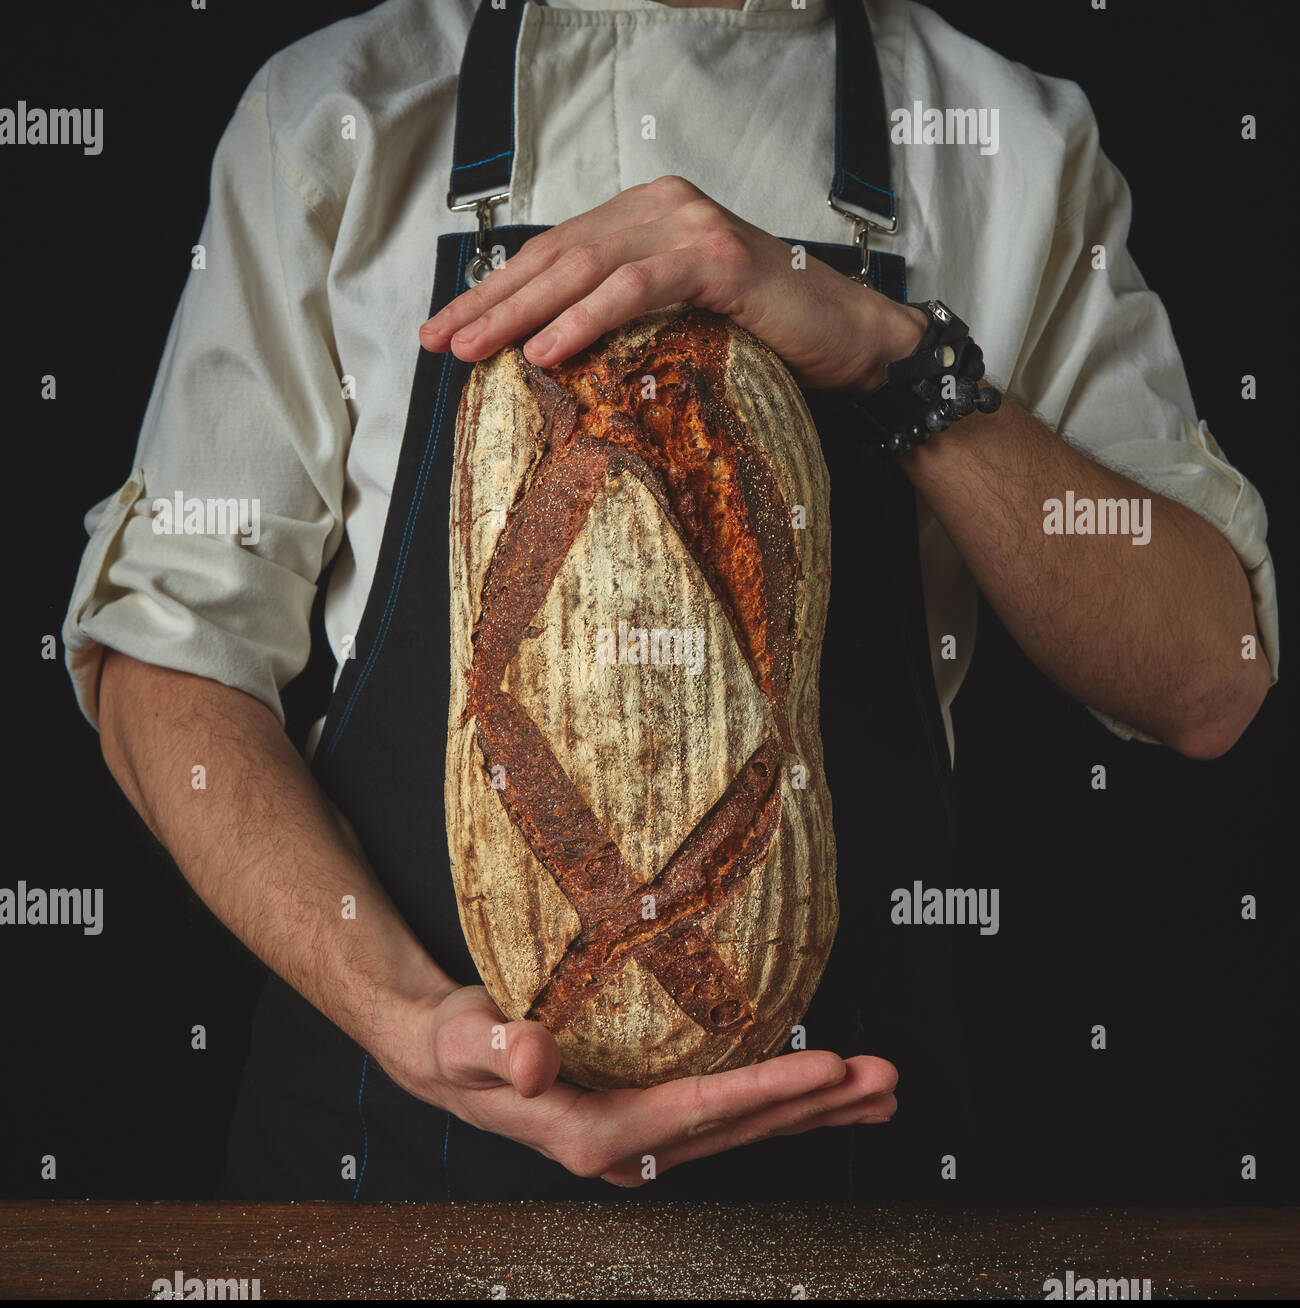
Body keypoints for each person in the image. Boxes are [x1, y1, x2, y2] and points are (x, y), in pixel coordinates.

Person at [62, 0, 1276, 1202]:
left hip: (851, 1188)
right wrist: (407, 1017)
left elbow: (1207, 674)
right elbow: (166, 658)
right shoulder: (340, 113)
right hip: (392, 1171)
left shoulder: (1006, 141)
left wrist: (893, 357)